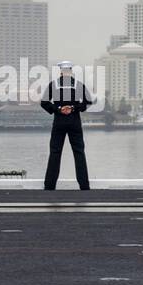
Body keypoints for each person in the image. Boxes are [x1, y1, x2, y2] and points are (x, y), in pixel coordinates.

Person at [42, 61, 93, 190]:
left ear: (60, 72)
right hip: (74, 122)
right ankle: (84, 185)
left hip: (59, 122)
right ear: (71, 71)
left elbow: (44, 103)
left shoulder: (53, 85)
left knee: (55, 152)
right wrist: (73, 108)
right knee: (79, 152)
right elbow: (88, 102)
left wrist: (58, 109)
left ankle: (49, 185)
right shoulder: (79, 85)